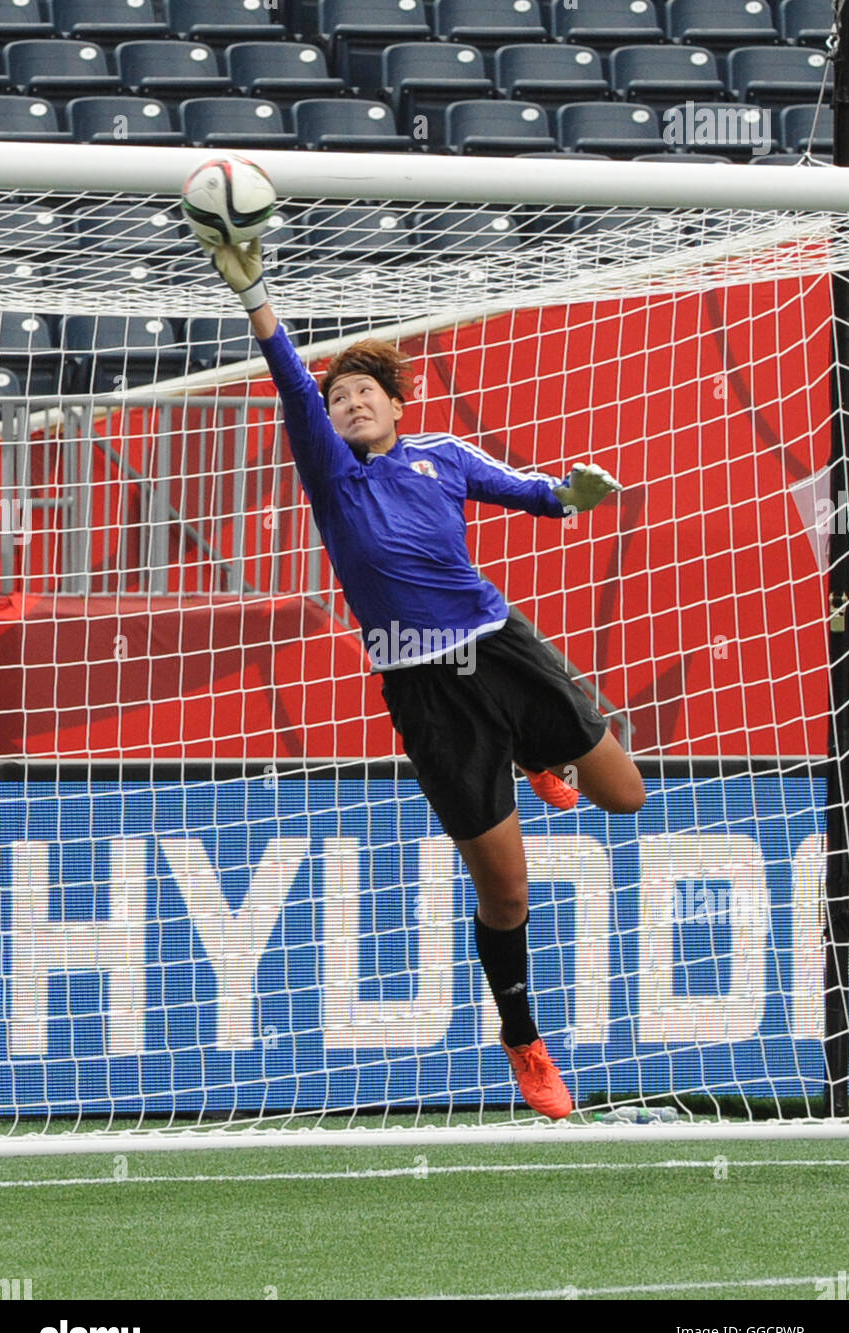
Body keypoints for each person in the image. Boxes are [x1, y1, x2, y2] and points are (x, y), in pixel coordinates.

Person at [203, 236, 646, 1120]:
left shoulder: (442, 454)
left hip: (500, 648)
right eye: (339, 397)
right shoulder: (331, 474)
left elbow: (536, 494)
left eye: (365, 392)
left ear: (397, 407)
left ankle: (533, 752)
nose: (350, 402)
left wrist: (575, 495)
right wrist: (255, 295)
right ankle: (522, 1040)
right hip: (424, 688)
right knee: (506, 894)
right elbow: (292, 384)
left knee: (625, 798)